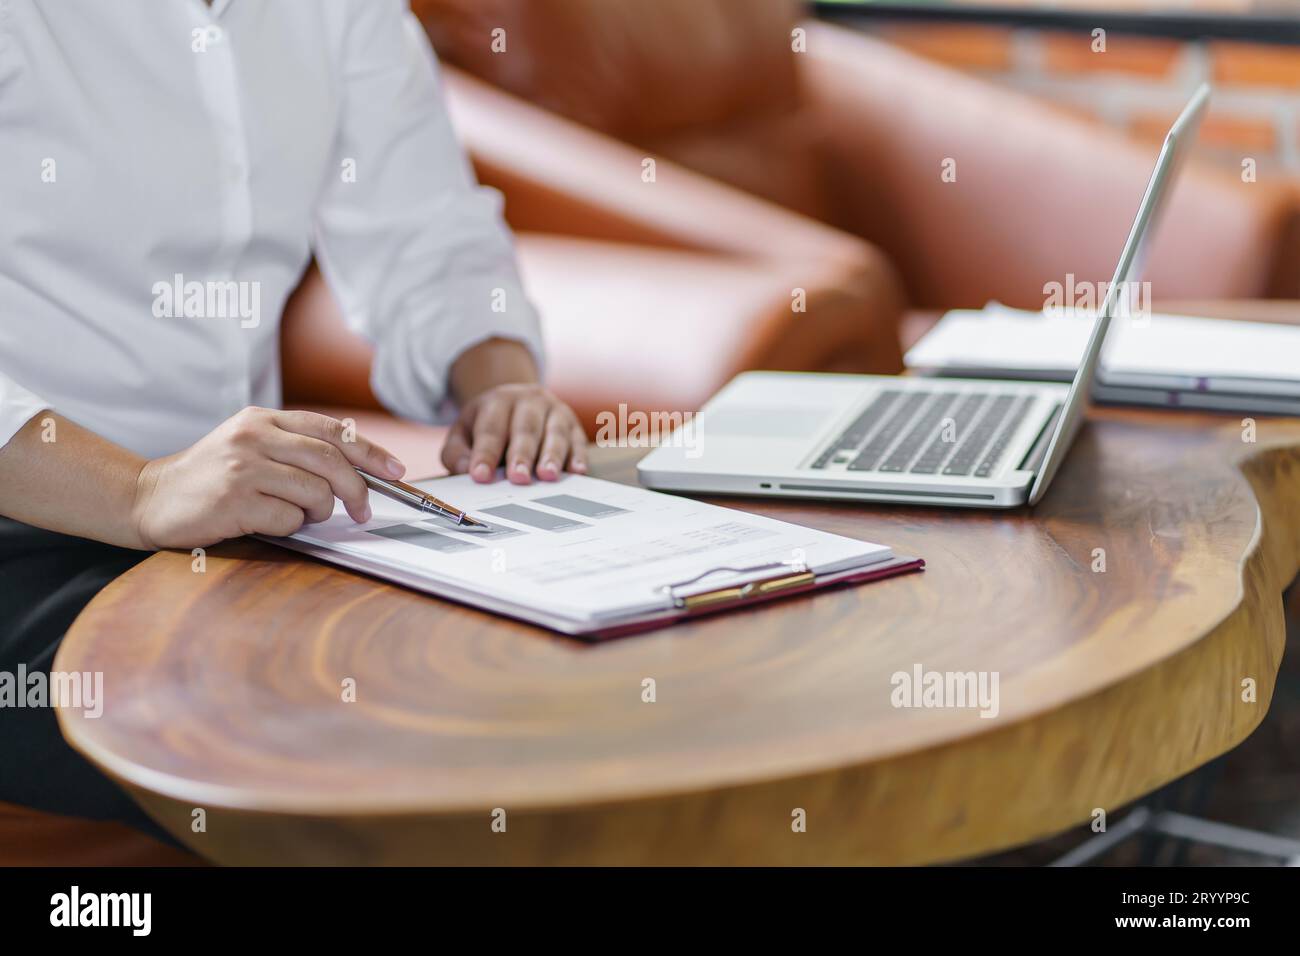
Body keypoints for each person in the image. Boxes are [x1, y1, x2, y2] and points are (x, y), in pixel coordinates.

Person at [0, 0, 584, 837]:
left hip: (238, 526)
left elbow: (428, 239)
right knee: (329, 751)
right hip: (29, 526)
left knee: (504, 681)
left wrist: (498, 388)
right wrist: (140, 491)